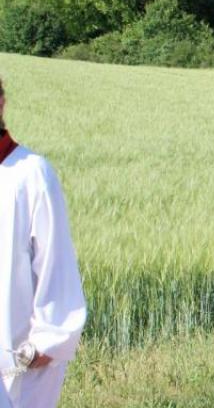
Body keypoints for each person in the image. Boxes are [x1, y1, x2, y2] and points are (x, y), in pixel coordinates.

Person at [0, 77, 86, 408]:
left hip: (15, 376)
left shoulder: (30, 174)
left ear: (2, 104)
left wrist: (43, 346)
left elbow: (56, 268)